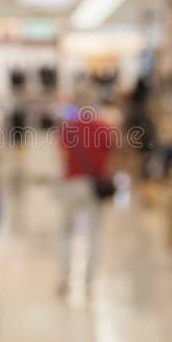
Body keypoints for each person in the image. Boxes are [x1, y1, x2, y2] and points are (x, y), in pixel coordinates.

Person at [57, 85, 116, 296]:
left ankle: (65, 275)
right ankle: (90, 280)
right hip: (94, 184)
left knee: (66, 232)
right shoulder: (103, 128)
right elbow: (110, 157)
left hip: (71, 182)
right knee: (94, 232)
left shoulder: (67, 129)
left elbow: (62, 157)